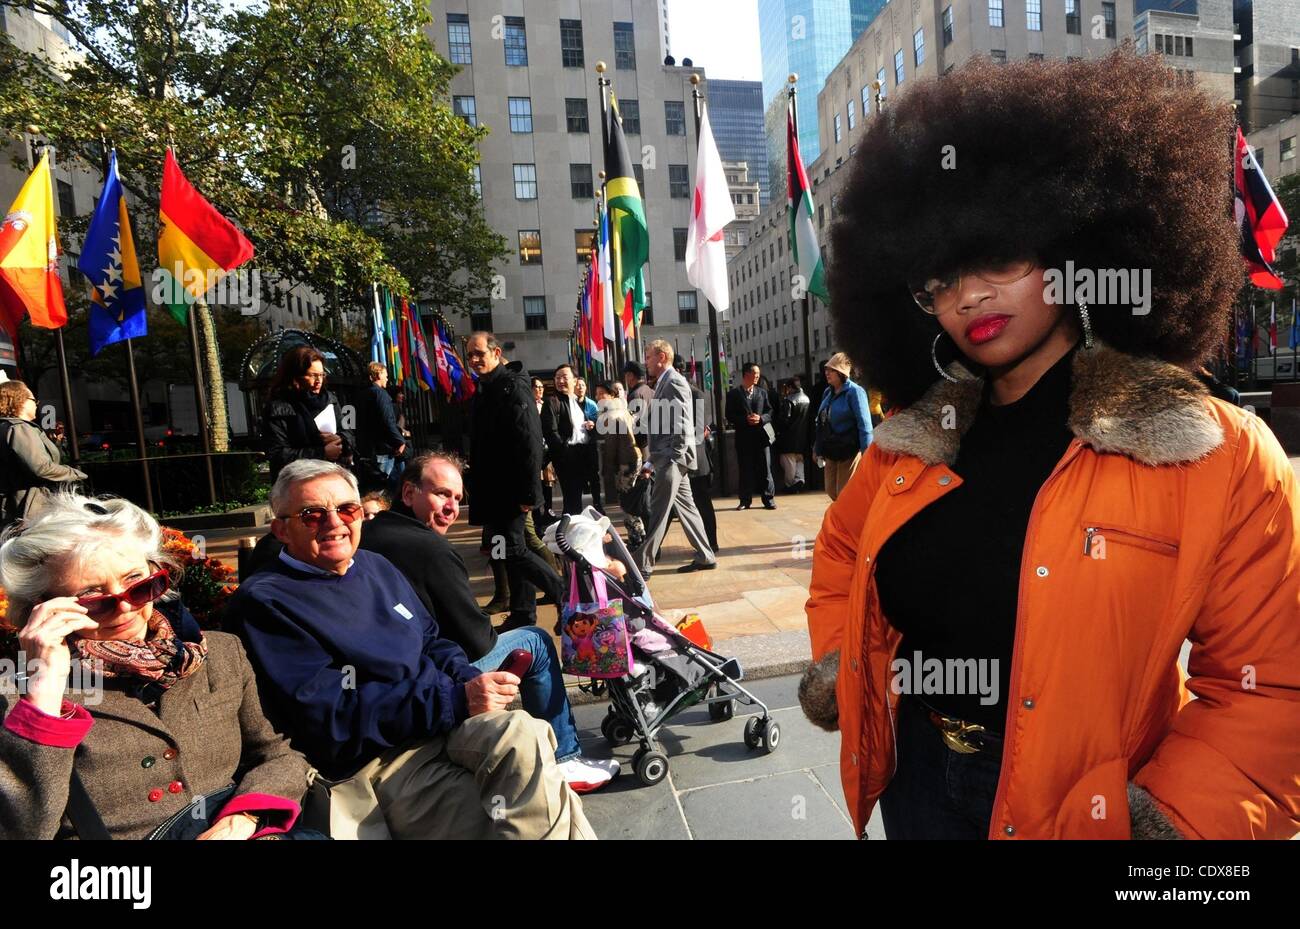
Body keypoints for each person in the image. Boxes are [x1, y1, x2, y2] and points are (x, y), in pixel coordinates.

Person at [800, 52, 1300, 840]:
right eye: (941, 277)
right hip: (918, 784)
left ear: (1082, 242)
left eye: (998, 256)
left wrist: (1157, 825)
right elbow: (838, 558)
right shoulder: (909, 445)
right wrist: (845, 667)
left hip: (1085, 810)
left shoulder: (1215, 454)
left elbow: (1269, 690)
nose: (968, 296)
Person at [227, 460, 594, 839]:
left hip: (445, 723)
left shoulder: (374, 565)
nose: (334, 523)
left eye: (347, 509)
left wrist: (469, 683)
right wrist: (453, 701)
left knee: (526, 733)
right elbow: (333, 716)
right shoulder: (265, 602)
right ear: (282, 530)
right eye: (312, 515)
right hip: (383, 759)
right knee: (536, 806)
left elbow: (433, 641)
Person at [0, 495, 314, 840]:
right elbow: (23, 830)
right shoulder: (17, 694)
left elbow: (275, 755)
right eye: (95, 600)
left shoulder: (220, 653)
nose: (125, 610)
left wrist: (244, 818)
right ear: (42, 607)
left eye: (139, 584)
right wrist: (44, 691)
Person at [359, 452, 618, 792]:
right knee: (535, 641)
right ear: (409, 493)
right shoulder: (430, 549)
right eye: (441, 494)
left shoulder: (368, 532)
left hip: (385, 671)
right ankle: (565, 760)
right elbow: (478, 640)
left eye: (456, 497)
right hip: (424, 671)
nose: (452, 507)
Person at [465, 332, 565, 632]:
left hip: (511, 489)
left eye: (479, 353)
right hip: (492, 489)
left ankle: (564, 594)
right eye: (470, 354)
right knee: (505, 548)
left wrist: (530, 493)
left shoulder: (513, 388)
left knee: (512, 549)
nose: (474, 359)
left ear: (496, 353)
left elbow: (531, 444)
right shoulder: (486, 388)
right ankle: (523, 612)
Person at [632, 341, 717, 577]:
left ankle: (643, 565)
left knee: (658, 513)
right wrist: (651, 462)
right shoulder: (665, 382)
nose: (645, 362)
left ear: (661, 357)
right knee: (688, 510)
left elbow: (681, 425)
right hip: (669, 458)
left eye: (648, 357)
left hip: (672, 459)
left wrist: (672, 458)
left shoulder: (674, 382)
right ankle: (705, 555)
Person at [260, 345, 354, 483]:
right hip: (298, 485)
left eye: (322, 374)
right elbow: (276, 454)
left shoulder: (330, 399)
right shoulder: (278, 406)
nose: (319, 381)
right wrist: (322, 453)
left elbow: (349, 432)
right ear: (296, 376)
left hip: (332, 479)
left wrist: (340, 440)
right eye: (313, 375)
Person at [0, 381, 86, 528]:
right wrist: (76, 473)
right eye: (34, 400)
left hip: (13, 507)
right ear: (20, 400)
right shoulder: (20, 428)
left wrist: (55, 444)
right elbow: (41, 468)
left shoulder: (6, 426)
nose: (36, 404)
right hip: (29, 508)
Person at [656, 359, 720, 556]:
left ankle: (711, 543)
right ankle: (653, 549)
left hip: (694, 459)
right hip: (678, 457)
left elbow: (700, 430)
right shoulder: (671, 391)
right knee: (667, 507)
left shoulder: (696, 393)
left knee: (701, 503)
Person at [813, 354, 873, 501]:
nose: (827, 373)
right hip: (831, 448)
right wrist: (817, 448)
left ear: (841, 373)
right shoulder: (828, 392)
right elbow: (821, 423)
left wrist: (867, 454)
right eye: (826, 369)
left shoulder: (855, 392)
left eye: (831, 370)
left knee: (844, 492)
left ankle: (847, 521)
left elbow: (865, 425)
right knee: (831, 490)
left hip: (848, 449)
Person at [540, 364, 595, 516]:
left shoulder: (579, 401)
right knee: (571, 496)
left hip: (582, 452)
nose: (560, 381)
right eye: (557, 378)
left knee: (576, 496)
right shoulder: (552, 401)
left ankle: (571, 528)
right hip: (566, 454)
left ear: (575, 380)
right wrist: (563, 451)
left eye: (564, 377)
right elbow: (550, 431)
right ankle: (567, 531)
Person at [593, 381, 643, 546]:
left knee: (628, 502)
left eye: (602, 393)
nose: (598, 397)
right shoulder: (621, 408)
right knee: (632, 500)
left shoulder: (612, 414)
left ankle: (637, 537)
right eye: (597, 394)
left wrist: (607, 469)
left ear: (612, 394)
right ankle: (639, 534)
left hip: (626, 462)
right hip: (633, 459)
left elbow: (612, 447)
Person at [725, 362, 776, 510]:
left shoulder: (762, 393)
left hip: (761, 438)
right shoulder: (733, 394)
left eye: (758, 375)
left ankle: (768, 499)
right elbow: (729, 415)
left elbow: (770, 412)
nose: (757, 377)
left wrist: (761, 418)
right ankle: (745, 500)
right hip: (744, 438)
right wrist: (744, 420)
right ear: (746, 374)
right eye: (755, 374)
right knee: (745, 469)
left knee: (766, 469)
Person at [355, 362, 405, 495]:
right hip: (382, 450)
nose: (387, 379)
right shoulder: (380, 394)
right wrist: (400, 441)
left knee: (370, 490)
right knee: (379, 491)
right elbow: (387, 421)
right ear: (378, 374)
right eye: (386, 375)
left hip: (365, 450)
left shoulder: (361, 394)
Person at [775, 376, 811, 493]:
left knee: (788, 462)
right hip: (802, 438)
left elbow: (784, 420)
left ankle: (790, 485)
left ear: (790, 387)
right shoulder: (806, 399)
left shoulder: (789, 401)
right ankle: (800, 479)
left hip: (788, 438)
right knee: (799, 460)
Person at [573, 377, 603, 513]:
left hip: (590, 445)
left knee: (594, 476)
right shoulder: (570, 403)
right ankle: (576, 507)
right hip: (575, 446)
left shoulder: (591, 404)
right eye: (578, 385)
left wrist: (594, 424)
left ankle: (597, 503)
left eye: (583, 385)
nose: (580, 388)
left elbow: (599, 422)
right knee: (577, 477)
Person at [622, 360, 655, 456]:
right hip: (654, 442)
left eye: (627, 375)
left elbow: (635, 424)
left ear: (631, 375)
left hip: (642, 446)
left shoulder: (635, 394)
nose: (626, 378)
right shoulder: (651, 391)